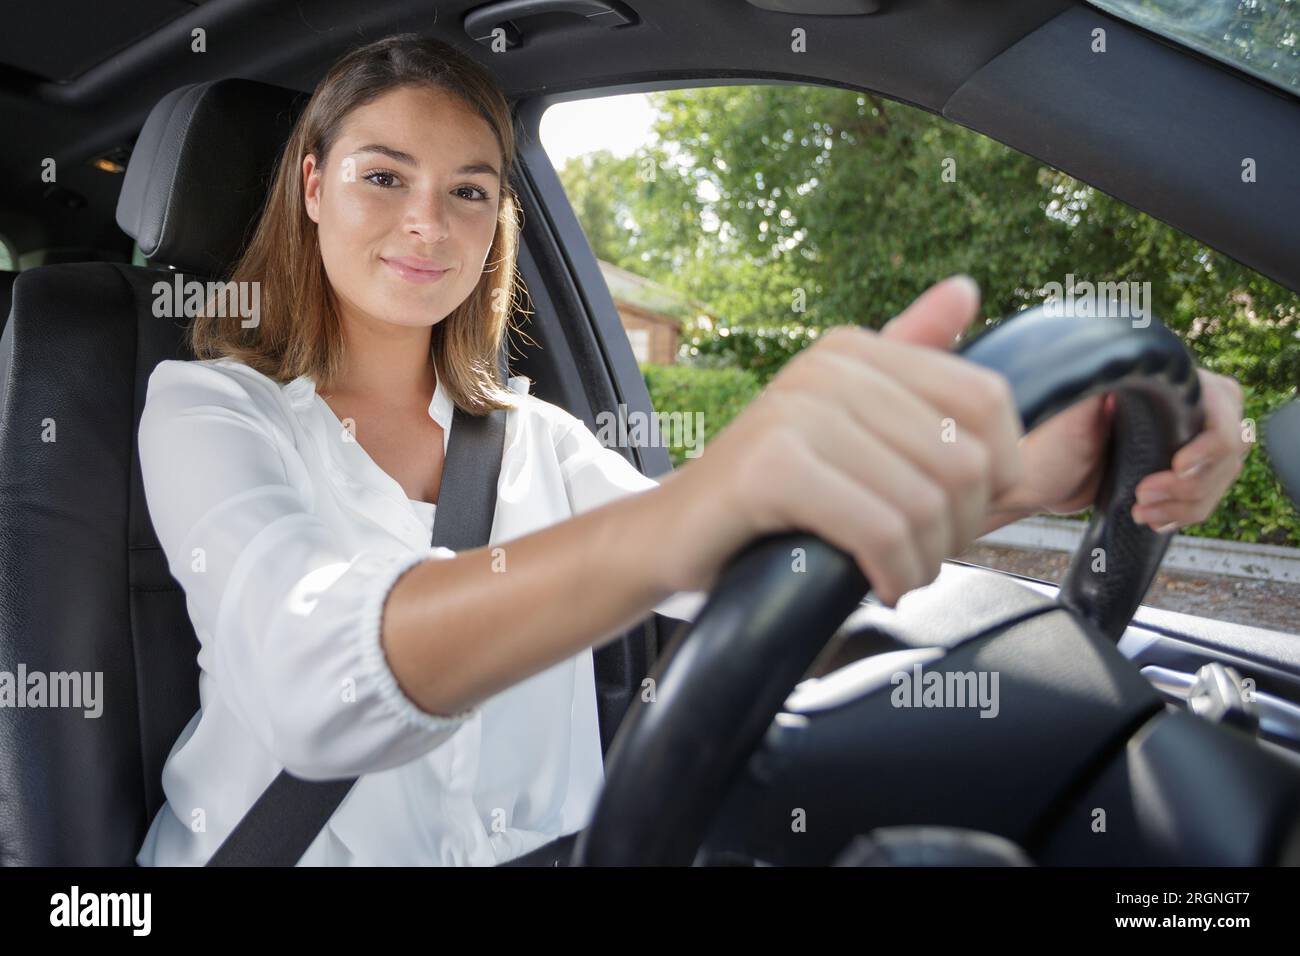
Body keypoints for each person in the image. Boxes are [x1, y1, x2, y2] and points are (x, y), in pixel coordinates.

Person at [134, 33, 1249, 867]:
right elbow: (304, 669)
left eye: (468, 191)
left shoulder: (537, 441)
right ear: (314, 186)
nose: (428, 223)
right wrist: (685, 512)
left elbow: (763, 553)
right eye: (384, 176)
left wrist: (1050, 460)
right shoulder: (207, 410)